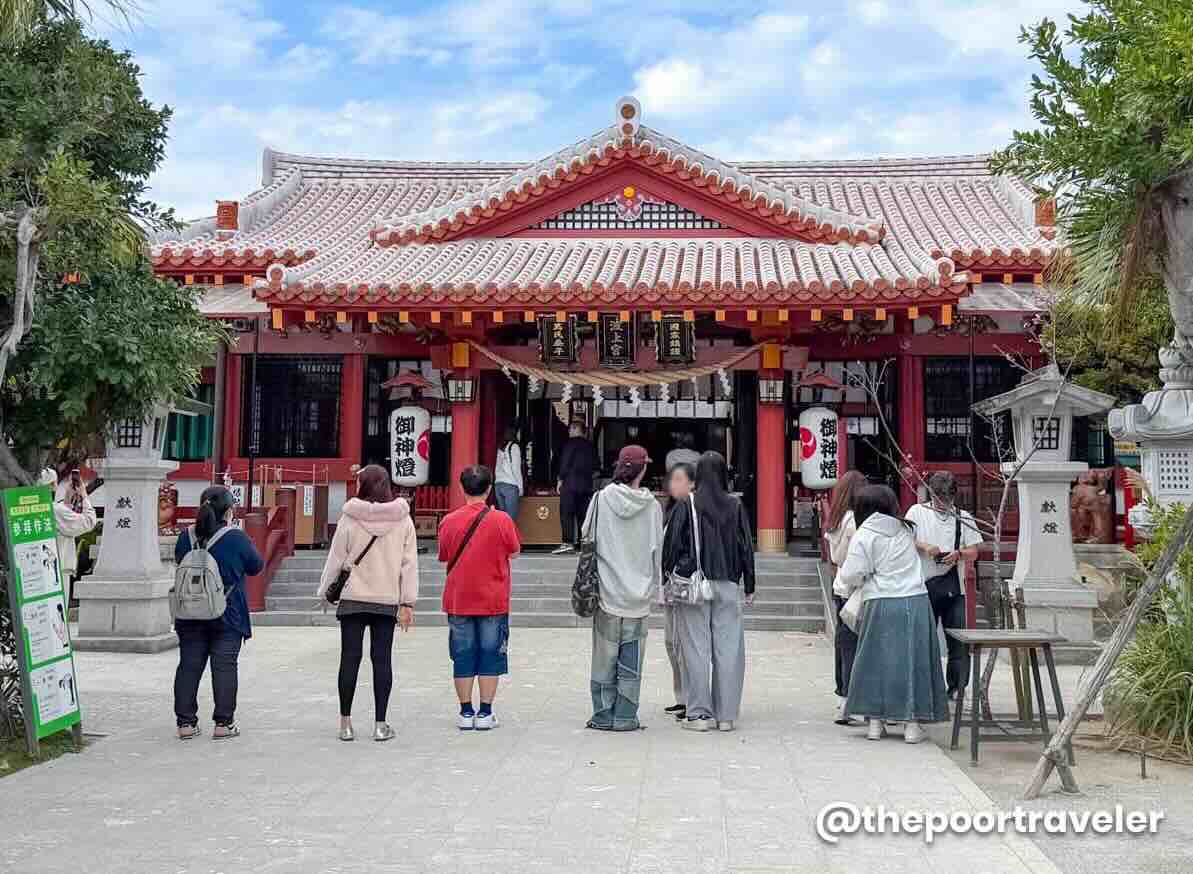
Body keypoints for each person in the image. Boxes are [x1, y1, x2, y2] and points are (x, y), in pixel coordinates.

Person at [317, 465, 418, 742]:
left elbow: (336, 559)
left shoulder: (350, 518)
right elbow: (409, 565)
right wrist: (408, 603)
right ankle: (380, 724)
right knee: (381, 659)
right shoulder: (403, 521)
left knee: (349, 659)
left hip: (352, 598)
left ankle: (345, 724)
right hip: (386, 599)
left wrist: (325, 592)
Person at [839, 484, 948, 743]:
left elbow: (851, 574)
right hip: (915, 600)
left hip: (880, 600)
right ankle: (912, 725)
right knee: (914, 661)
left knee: (874, 660)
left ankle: (875, 724)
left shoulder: (864, 534)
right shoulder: (906, 529)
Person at [662, 451, 755, 732]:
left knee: (695, 649)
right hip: (727, 584)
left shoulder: (686, 504)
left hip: (694, 587)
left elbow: (671, 546)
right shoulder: (735, 505)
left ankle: (699, 714)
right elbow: (746, 548)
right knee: (728, 651)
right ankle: (726, 715)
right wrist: (749, 585)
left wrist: (666, 580)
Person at [581, 445, 664, 731]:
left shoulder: (601, 499)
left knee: (604, 655)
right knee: (631, 658)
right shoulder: (652, 507)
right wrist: (658, 586)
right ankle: (626, 716)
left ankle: (603, 714)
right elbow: (658, 550)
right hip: (638, 594)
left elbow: (586, 535)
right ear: (642, 469)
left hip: (607, 589)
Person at [173, 486, 264, 740]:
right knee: (224, 667)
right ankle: (224, 724)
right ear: (228, 511)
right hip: (227, 612)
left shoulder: (185, 537)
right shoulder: (235, 537)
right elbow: (256, 566)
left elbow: (180, 561)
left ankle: (186, 724)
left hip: (190, 612)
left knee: (189, 666)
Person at [439, 464, 521, 730]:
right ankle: (485, 712)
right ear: (489, 489)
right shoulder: (502, 520)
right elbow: (514, 552)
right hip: (493, 598)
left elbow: (444, 556)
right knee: (490, 653)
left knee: (462, 654)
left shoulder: (449, 521)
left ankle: (465, 711)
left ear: (462, 488)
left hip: (459, 597)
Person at [905, 471, 983, 699]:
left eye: (947, 498)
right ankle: (924, 687)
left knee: (957, 640)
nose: (942, 503)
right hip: (922, 584)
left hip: (953, 585)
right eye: (938, 497)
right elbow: (905, 539)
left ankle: (958, 687)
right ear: (931, 494)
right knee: (922, 639)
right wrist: (925, 547)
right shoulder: (917, 512)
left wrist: (958, 554)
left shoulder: (963, 516)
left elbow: (975, 552)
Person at [823, 470, 867, 725]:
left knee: (844, 643)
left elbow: (834, 559)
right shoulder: (855, 521)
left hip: (840, 584)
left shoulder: (837, 519)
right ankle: (852, 697)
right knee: (853, 644)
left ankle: (843, 695)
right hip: (853, 586)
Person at [660, 462, 696, 719]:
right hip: (670, 585)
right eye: (672, 479)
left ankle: (690, 697)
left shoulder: (694, 510)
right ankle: (680, 695)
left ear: (693, 483)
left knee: (683, 644)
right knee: (670, 642)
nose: (674, 484)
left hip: (683, 584)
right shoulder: (671, 510)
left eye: (679, 479)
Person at [39, 468, 97, 604]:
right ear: (53, 485)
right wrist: (84, 495)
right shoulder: (56, 511)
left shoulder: (39, 508)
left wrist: (67, 500)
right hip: (57, 570)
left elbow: (65, 517)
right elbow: (89, 521)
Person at [554, 422, 599, 555]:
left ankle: (567, 542)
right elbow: (596, 466)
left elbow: (565, 463)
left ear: (576, 429)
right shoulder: (590, 446)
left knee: (566, 513)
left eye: (571, 429)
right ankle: (582, 543)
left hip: (570, 483)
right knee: (583, 515)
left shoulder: (570, 444)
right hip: (586, 485)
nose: (568, 431)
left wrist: (560, 479)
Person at [493, 425, 524, 521]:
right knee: (510, 519)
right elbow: (516, 469)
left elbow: (497, 467)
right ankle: (508, 536)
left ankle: (501, 536)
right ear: (514, 433)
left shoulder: (501, 447)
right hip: (510, 486)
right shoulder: (514, 447)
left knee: (502, 519)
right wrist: (520, 486)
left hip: (498, 485)